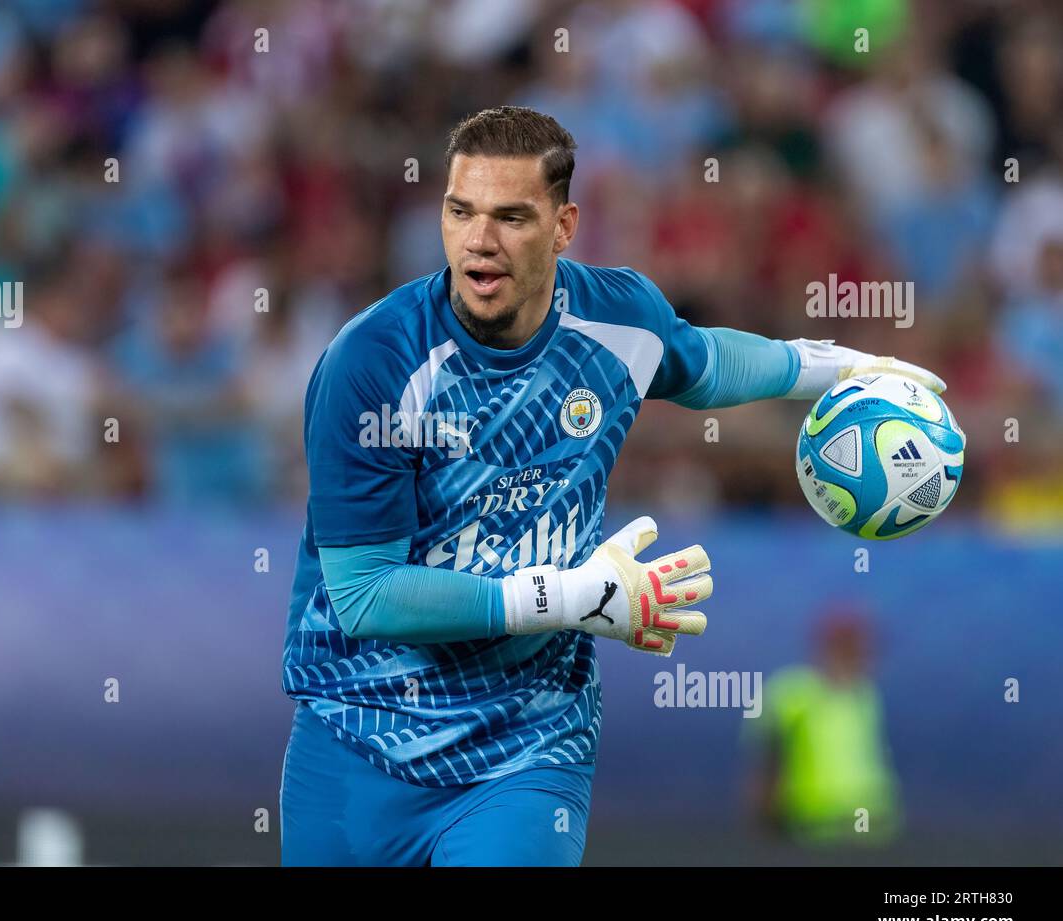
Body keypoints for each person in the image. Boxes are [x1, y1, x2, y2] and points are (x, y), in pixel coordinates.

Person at [278, 106, 942, 866]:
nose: (479, 241)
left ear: (563, 227)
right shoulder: (374, 362)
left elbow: (704, 364)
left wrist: (830, 367)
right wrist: (568, 599)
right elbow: (365, 595)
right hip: (358, 734)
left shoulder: (617, 317)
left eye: (510, 217)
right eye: (460, 212)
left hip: (526, 745)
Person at [747, 607, 903, 847]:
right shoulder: (791, 694)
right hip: (813, 827)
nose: (862, 657)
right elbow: (769, 760)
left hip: (872, 829)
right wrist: (767, 818)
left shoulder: (867, 695)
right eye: (852, 648)